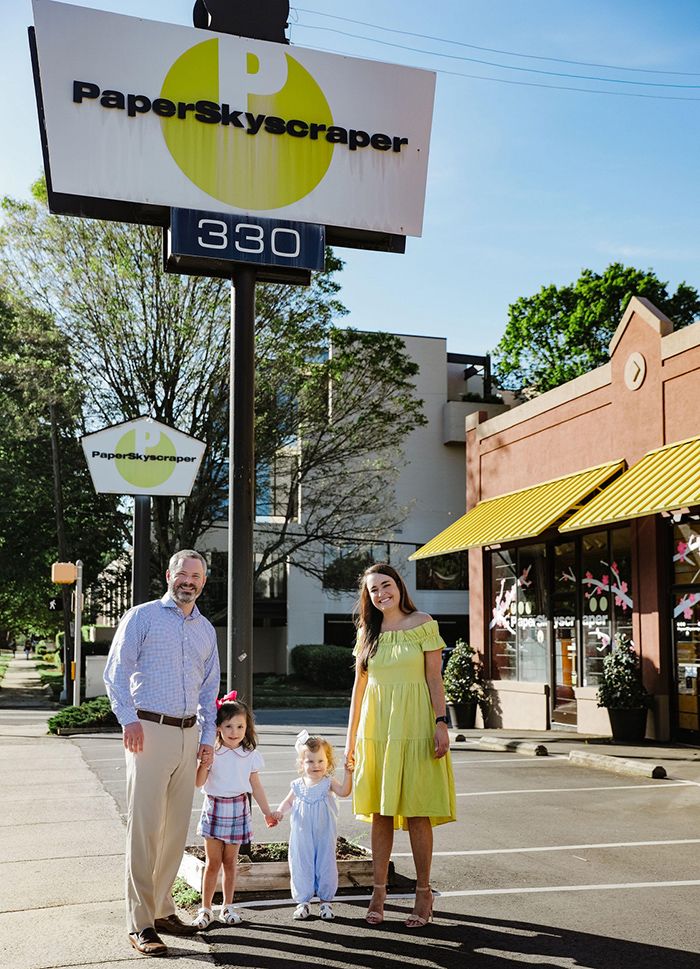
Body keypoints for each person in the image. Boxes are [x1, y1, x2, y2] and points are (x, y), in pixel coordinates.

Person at [103, 549, 220, 958]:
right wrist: (128, 719)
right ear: (169, 576)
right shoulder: (142, 617)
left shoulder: (206, 629)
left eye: (196, 576)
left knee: (174, 832)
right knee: (145, 829)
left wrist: (208, 738)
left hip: (190, 734)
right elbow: (115, 671)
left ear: (203, 581)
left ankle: (163, 909)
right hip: (148, 731)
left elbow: (210, 688)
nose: (189, 581)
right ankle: (140, 923)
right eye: (182, 574)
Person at [344, 563, 456, 929]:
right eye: (373, 589)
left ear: (398, 586)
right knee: (381, 812)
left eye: (386, 585)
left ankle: (424, 893)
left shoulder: (423, 623)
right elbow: (359, 690)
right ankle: (378, 893)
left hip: (416, 725)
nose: (381, 593)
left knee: (418, 810)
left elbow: (434, 679)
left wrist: (441, 723)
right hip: (376, 729)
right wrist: (350, 741)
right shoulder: (367, 632)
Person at [191, 694, 277, 929]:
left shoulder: (250, 755)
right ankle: (205, 910)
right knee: (213, 862)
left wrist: (267, 812)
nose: (234, 731)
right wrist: (204, 763)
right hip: (214, 807)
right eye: (228, 726)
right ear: (218, 727)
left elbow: (256, 786)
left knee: (230, 862)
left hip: (238, 809)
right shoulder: (212, 752)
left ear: (247, 728)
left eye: (240, 726)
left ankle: (227, 907)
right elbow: (198, 783)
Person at [274, 731, 353, 921]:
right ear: (302, 763)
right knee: (301, 862)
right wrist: (279, 813)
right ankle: (303, 901)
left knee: (326, 863)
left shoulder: (328, 783)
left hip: (324, 833)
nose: (316, 765)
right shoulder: (297, 785)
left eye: (320, 761)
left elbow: (344, 792)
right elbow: (288, 802)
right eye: (310, 761)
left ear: (328, 762)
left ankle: (326, 901)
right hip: (302, 833)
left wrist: (348, 774)